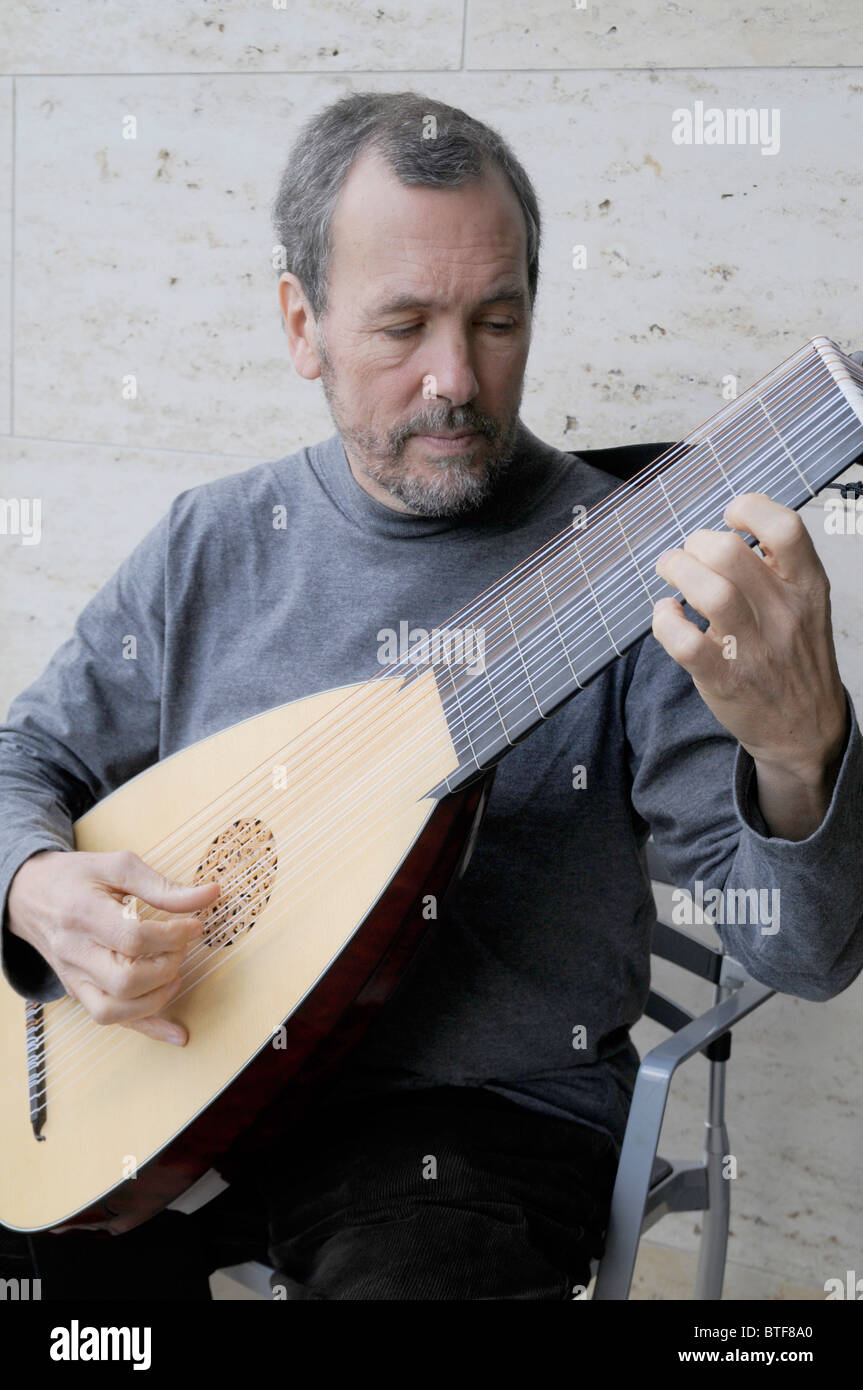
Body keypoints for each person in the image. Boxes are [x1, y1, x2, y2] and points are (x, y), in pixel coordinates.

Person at [2, 91, 862, 1301]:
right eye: (403, 324)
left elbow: (806, 954)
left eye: (496, 320)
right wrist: (32, 884)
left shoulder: (632, 574)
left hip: (476, 1130)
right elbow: (21, 759)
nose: (455, 379)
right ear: (302, 323)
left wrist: (800, 752)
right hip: (179, 1078)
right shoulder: (213, 543)